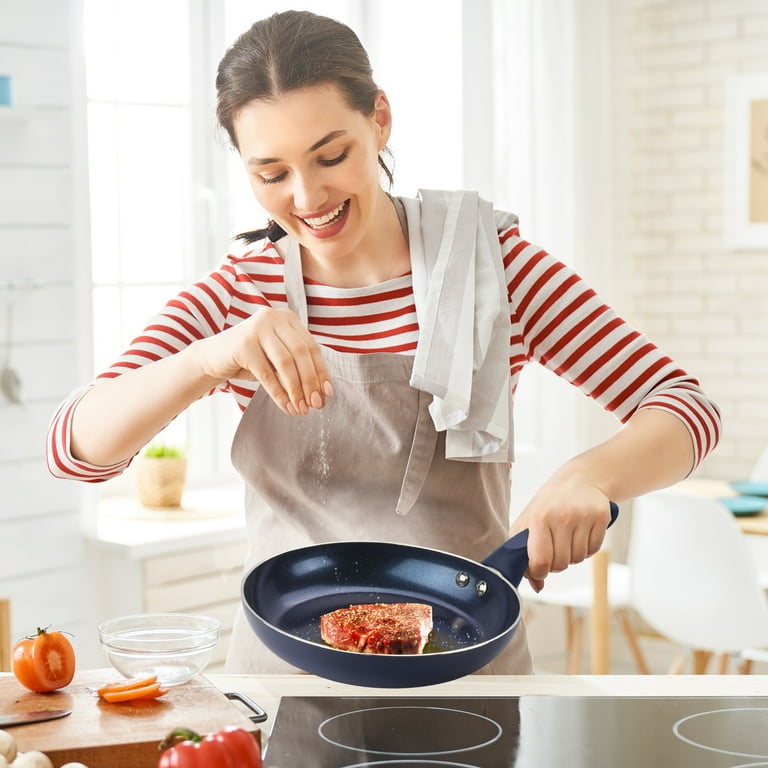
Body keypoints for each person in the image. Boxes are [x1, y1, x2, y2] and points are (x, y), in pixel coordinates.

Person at [47, 10, 721, 675]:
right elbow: (74, 449)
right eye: (271, 173)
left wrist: (590, 475)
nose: (307, 197)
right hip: (284, 677)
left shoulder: (493, 269)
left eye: (330, 155)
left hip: (464, 669)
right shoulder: (241, 293)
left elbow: (688, 407)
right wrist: (208, 356)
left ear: (381, 120)